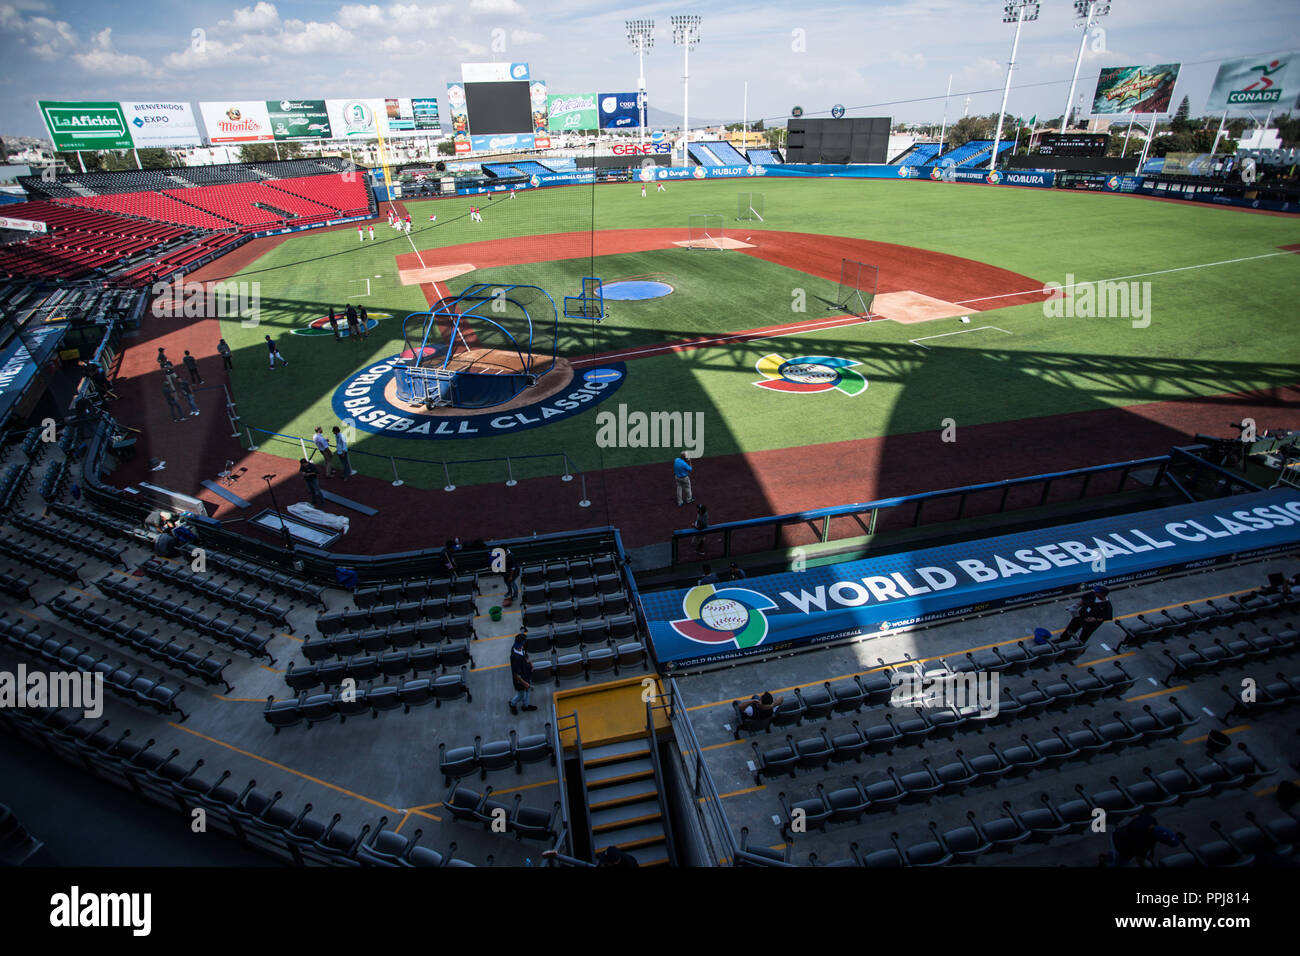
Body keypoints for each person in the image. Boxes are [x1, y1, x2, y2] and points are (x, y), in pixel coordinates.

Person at [1105, 811, 1178, 867]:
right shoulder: (1144, 843)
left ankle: (1109, 856)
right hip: (1119, 843)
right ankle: (1107, 860)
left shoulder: (1150, 819)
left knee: (1117, 854)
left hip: (1120, 833)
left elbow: (1136, 816)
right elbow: (1140, 861)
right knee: (1120, 862)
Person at [508, 633, 537, 715]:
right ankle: (512, 704)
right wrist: (525, 683)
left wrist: (529, 663)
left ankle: (525, 706)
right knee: (521, 695)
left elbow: (525, 656)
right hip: (520, 680)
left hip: (526, 674)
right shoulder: (515, 658)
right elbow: (516, 675)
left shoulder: (518, 648)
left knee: (527, 693)